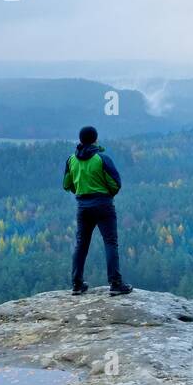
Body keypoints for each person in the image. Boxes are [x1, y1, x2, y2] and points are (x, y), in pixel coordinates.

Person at [63, 125, 132, 295]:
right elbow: (116, 184)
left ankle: (77, 284)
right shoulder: (102, 159)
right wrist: (106, 195)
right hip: (103, 206)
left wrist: (80, 192)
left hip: (82, 207)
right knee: (110, 243)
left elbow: (67, 184)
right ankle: (115, 284)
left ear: (80, 140)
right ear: (95, 139)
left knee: (81, 245)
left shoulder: (72, 160)